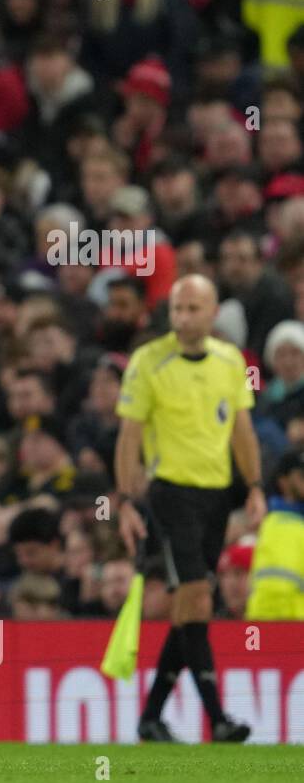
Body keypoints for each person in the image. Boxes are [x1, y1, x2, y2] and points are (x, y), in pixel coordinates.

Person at [115, 274, 258, 743]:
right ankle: (217, 718)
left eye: (194, 309)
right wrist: (126, 501)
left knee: (188, 606)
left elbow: (241, 429)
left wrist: (254, 486)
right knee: (196, 597)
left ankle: (151, 716)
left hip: (215, 496)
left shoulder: (230, 361)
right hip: (169, 491)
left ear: (213, 312)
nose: (183, 317)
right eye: (177, 309)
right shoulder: (148, 362)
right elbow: (130, 436)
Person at [244, 446, 304, 620]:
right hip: (287, 627)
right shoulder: (280, 525)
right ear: (283, 481)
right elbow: (276, 591)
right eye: (301, 476)